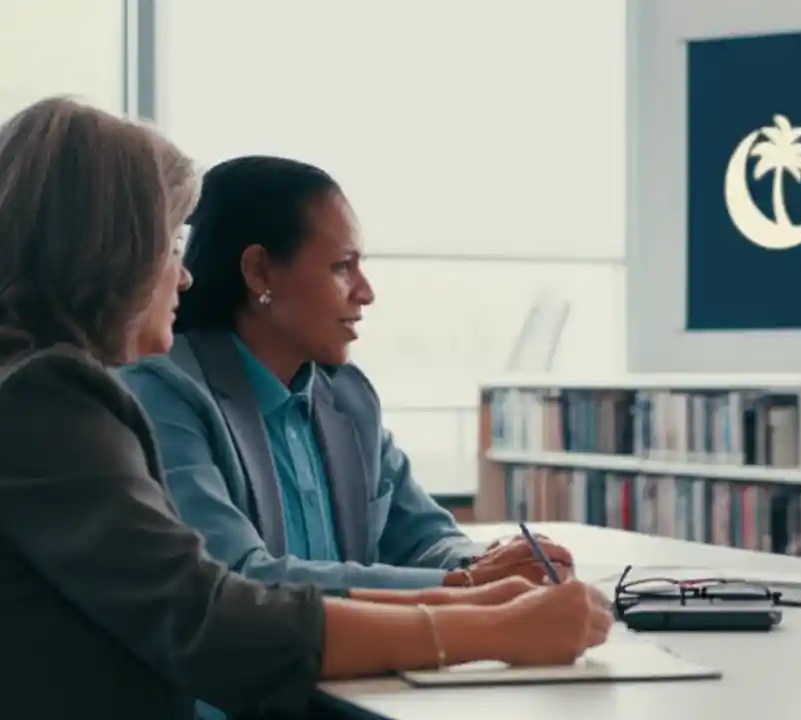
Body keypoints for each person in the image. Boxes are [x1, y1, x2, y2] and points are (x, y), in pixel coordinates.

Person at [0, 96, 611, 719]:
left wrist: (480, 593)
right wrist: (491, 626)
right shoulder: (49, 399)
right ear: (111, 252)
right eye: (168, 246)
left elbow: (409, 537)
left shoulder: (36, 389)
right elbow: (211, 615)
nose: (182, 276)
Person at [118, 155, 573, 592]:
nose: (366, 292)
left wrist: (487, 562)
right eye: (342, 267)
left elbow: (424, 537)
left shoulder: (348, 397)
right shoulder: (164, 393)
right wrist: (465, 584)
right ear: (259, 272)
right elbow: (236, 578)